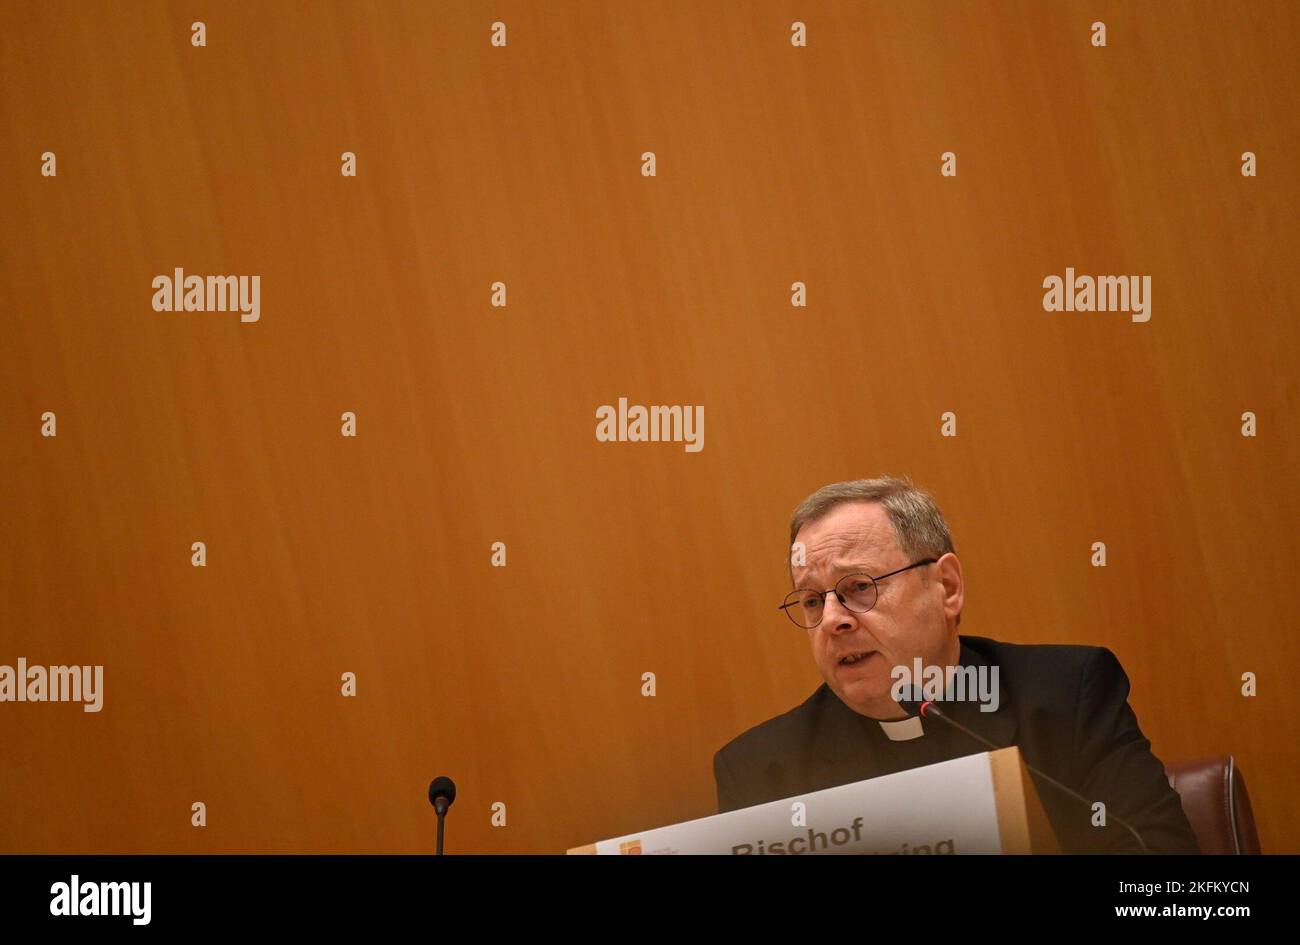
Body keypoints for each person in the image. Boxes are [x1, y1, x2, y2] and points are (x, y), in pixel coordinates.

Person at [713, 476, 1200, 854]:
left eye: (859, 587)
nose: (833, 620)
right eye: (813, 601)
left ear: (946, 587)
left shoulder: (1065, 696)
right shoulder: (762, 771)